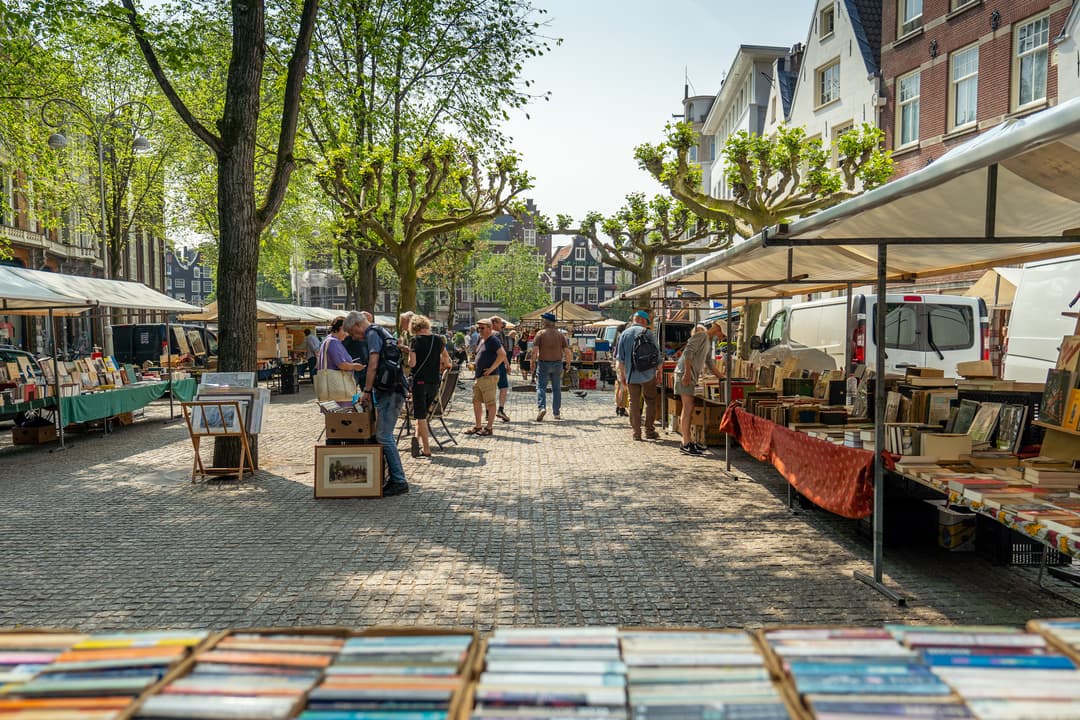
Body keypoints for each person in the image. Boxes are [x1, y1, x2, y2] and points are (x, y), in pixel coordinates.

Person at [355, 312, 409, 496]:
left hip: (390, 391)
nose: (355, 338)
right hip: (396, 387)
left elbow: (373, 363)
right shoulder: (383, 331)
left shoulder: (371, 334)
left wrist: (367, 390)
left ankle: (399, 480)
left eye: (353, 334)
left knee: (384, 436)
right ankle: (394, 478)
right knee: (385, 435)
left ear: (356, 326)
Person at [676, 319, 727, 456]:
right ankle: (686, 443)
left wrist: (723, 377)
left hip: (689, 375)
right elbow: (688, 353)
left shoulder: (708, 341)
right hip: (685, 374)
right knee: (687, 408)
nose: (722, 337)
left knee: (689, 408)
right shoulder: (701, 336)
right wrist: (687, 374)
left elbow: (710, 363)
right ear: (718, 329)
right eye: (723, 334)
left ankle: (687, 441)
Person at [408, 314, 451, 458]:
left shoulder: (414, 341)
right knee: (423, 414)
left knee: (420, 416)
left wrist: (409, 353)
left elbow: (412, 363)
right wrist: (446, 366)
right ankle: (416, 438)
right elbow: (446, 358)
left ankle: (426, 449)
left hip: (419, 382)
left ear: (414, 327)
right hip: (434, 382)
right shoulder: (438, 340)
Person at [615, 309, 661, 442]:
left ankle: (636, 433)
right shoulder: (648, 333)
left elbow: (620, 358)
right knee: (650, 401)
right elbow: (657, 355)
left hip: (631, 375)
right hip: (648, 373)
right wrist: (659, 371)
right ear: (644, 321)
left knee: (633, 403)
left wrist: (622, 375)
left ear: (634, 320)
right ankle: (649, 431)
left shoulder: (624, 334)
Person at [466, 318, 506, 437]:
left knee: (490, 402)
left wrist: (491, 368)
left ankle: (489, 428)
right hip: (480, 377)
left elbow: (502, 355)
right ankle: (478, 426)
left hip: (489, 377)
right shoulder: (483, 340)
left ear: (489, 328)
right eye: (479, 328)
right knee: (476, 401)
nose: (480, 330)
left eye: (482, 328)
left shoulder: (493, 340)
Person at [531, 312, 571, 421]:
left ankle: (542, 408)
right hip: (557, 363)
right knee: (556, 388)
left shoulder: (540, 333)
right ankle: (556, 413)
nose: (542, 322)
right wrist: (568, 363)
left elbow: (534, 351)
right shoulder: (560, 335)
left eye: (543, 320)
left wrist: (532, 362)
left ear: (546, 322)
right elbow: (567, 352)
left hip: (544, 363)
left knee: (541, 387)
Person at [490, 316, 512, 422]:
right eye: (500, 323)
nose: (502, 325)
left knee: (490, 389)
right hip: (498, 364)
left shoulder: (485, 334)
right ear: (494, 323)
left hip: (488, 364)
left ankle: (488, 412)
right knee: (503, 387)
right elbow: (502, 351)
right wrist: (507, 364)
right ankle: (500, 410)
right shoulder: (498, 334)